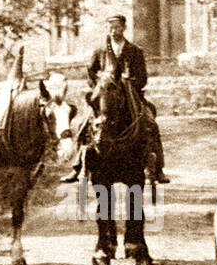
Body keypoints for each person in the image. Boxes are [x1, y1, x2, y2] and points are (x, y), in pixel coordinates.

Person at [62, 14, 169, 183]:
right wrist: (99, 84)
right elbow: (90, 72)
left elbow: (143, 78)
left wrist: (128, 81)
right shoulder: (100, 51)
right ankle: (78, 167)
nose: (113, 31)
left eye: (117, 27)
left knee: (150, 123)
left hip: (129, 93)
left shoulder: (134, 50)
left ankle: (157, 168)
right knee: (85, 124)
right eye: (110, 28)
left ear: (124, 28)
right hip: (105, 94)